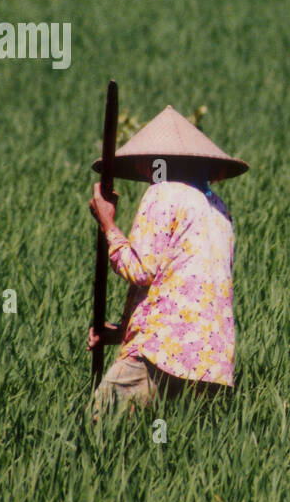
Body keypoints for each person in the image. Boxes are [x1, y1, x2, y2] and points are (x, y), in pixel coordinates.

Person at [85, 105, 247, 419]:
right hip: (211, 362)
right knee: (179, 452)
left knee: (96, 434)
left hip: (161, 352)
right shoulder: (218, 208)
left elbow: (141, 269)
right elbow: (181, 287)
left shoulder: (163, 194)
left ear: (155, 163)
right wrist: (122, 331)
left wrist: (108, 224)